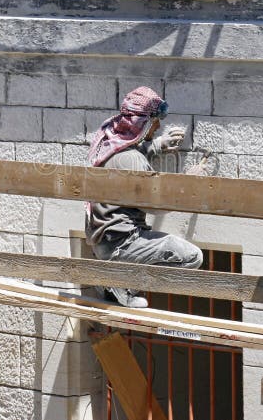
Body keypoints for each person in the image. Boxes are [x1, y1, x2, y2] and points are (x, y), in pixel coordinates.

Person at [85, 86, 203, 307]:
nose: (157, 128)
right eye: (154, 122)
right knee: (193, 257)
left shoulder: (110, 147)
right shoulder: (133, 159)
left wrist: (156, 145)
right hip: (124, 245)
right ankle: (119, 285)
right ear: (143, 122)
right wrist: (188, 184)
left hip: (104, 243)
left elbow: (127, 170)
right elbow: (156, 204)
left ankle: (115, 282)